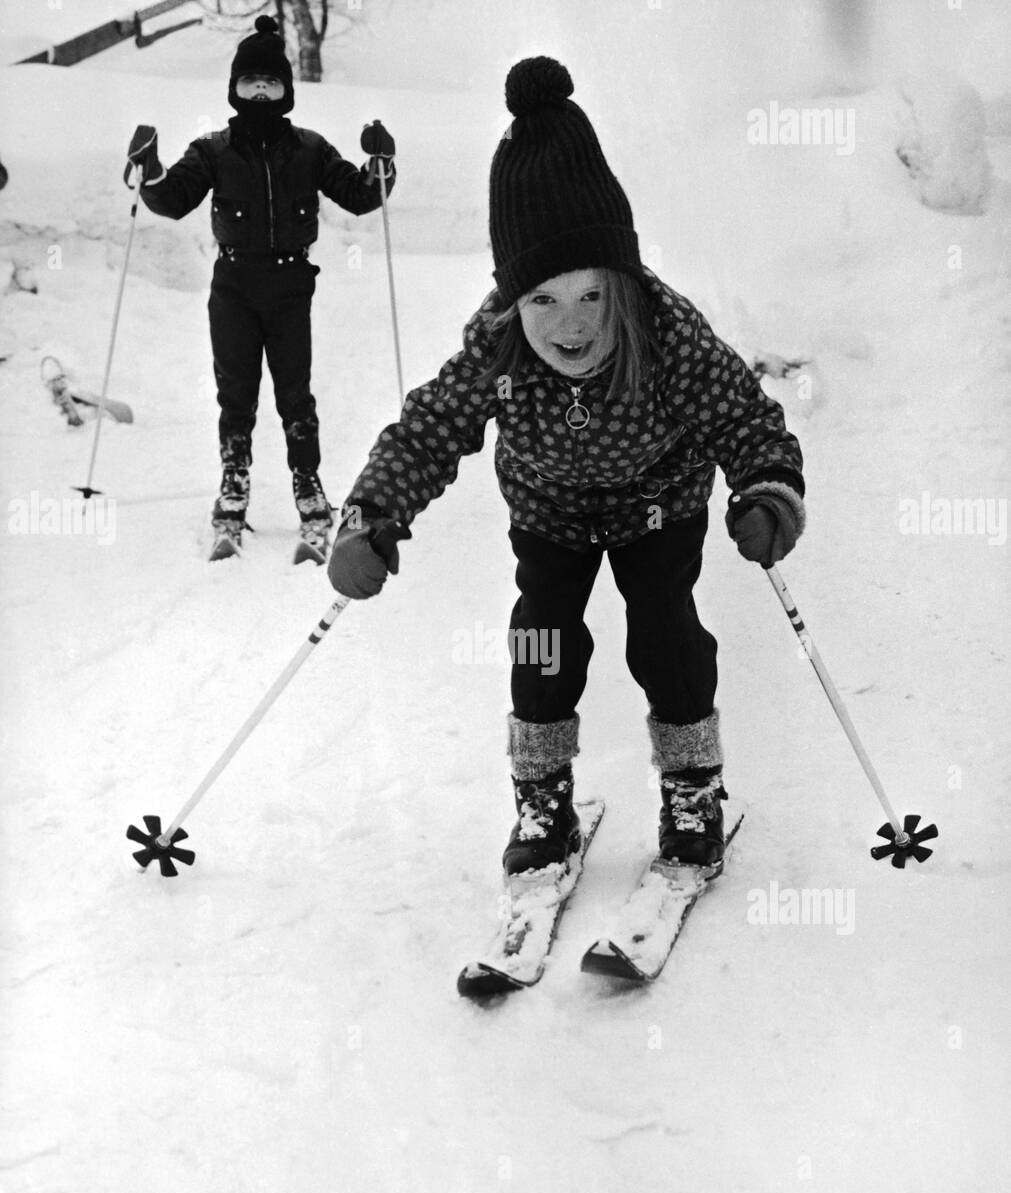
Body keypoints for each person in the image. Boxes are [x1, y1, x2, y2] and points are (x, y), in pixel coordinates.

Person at [327, 56, 805, 872]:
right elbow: (430, 427)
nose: (570, 324)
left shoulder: (664, 330)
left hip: (659, 504)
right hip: (549, 513)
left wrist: (766, 493)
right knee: (542, 643)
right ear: (513, 301)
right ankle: (542, 802)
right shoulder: (498, 341)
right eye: (542, 300)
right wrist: (371, 519)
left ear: (618, 282)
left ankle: (692, 789)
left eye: (589, 295)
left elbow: (742, 415)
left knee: (665, 637)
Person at [123, 15, 396, 561]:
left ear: (286, 90)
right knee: (236, 394)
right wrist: (148, 167)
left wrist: (380, 161)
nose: (262, 90)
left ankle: (309, 489)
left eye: (271, 82)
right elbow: (172, 199)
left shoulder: (310, 148)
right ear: (236, 88)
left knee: (296, 395)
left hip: (291, 284)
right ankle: (234, 485)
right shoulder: (212, 150)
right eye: (252, 81)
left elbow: (361, 195)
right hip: (234, 287)